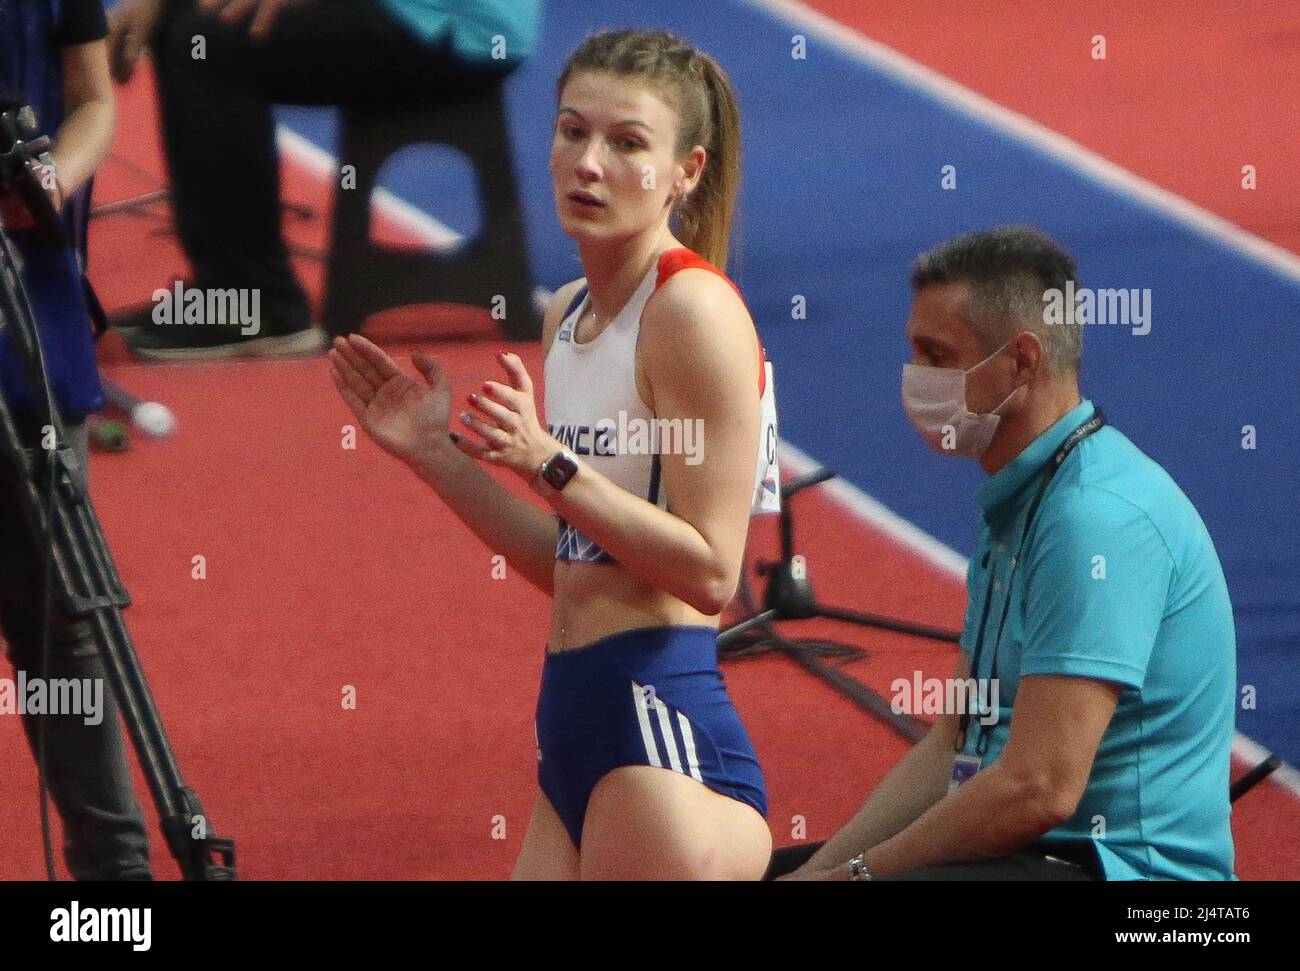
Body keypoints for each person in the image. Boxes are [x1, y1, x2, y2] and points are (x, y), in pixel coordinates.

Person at [329, 28, 774, 879]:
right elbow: (576, 559)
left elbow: (714, 574)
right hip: (574, 723)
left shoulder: (694, 314)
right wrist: (440, 458)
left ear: (687, 171)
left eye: (627, 142)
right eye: (572, 131)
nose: (588, 162)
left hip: (661, 736)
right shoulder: (569, 311)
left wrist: (549, 465)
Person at [783, 225, 1236, 881]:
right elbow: (952, 743)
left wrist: (858, 877)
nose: (915, 377)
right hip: (1030, 849)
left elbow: (1038, 786)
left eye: (935, 354)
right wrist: (822, 871)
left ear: (1023, 360)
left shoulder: (1093, 519)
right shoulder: (1023, 497)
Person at [105, 0, 541, 360]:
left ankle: (258, 307)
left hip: (460, 24)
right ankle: (223, 292)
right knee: (182, 21)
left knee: (210, 41)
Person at [0, 0, 152, 879]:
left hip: (27, 300)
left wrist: (53, 177)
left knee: (59, 619)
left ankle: (113, 882)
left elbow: (91, 97)